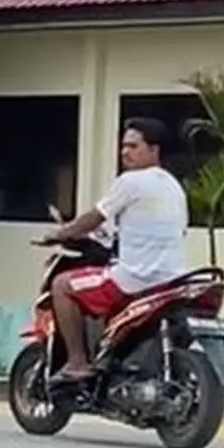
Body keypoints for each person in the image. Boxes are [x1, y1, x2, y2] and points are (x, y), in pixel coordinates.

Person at [39, 117, 189, 385]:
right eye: (123, 146)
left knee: (62, 285)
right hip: (171, 278)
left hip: (133, 278)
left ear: (154, 151)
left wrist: (61, 233)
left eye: (133, 146)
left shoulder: (131, 181)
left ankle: (77, 362)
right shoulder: (174, 187)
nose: (125, 152)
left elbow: (95, 217)